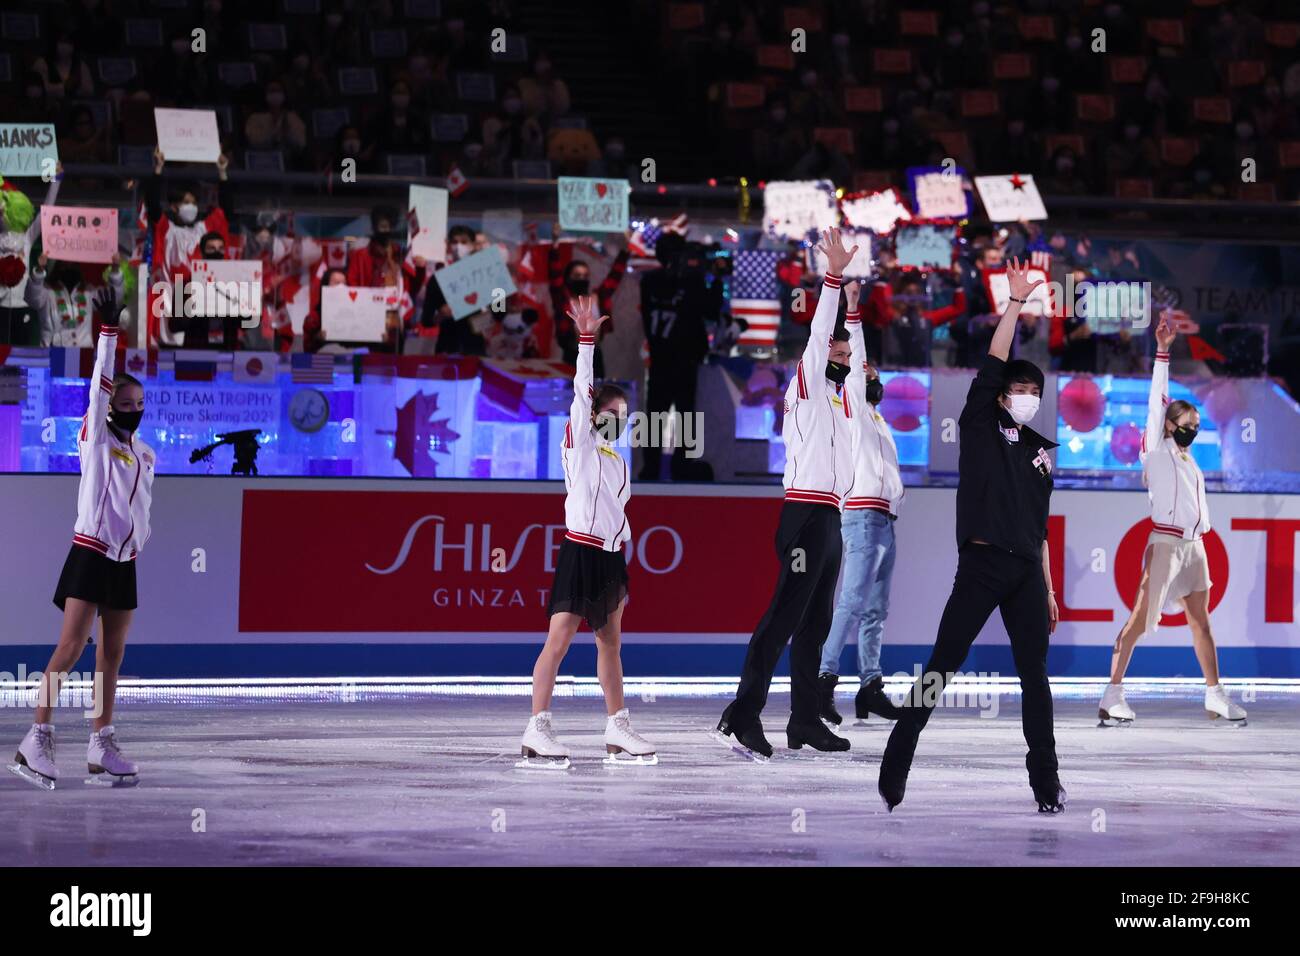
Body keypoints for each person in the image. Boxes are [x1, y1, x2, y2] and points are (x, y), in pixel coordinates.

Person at [878, 257, 1066, 813]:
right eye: (1020, 387)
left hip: (1027, 571)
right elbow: (994, 358)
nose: (1029, 393)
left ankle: (1046, 782)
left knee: (1036, 677)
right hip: (982, 566)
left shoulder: (1041, 453)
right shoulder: (982, 423)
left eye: (1036, 388)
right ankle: (899, 754)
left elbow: (1042, 528)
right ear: (1003, 393)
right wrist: (1014, 303)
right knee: (942, 663)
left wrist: (1050, 587)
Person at [715, 228, 860, 758]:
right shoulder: (806, 389)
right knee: (783, 616)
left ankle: (804, 720)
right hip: (803, 515)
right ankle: (743, 714)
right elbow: (822, 334)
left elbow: (854, 364)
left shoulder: (844, 405)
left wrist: (855, 315)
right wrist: (833, 281)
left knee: (815, 624)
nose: (841, 357)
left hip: (832, 519)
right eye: (834, 351)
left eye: (846, 352)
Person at [9, 290, 154, 790]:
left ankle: (100, 743)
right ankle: (37, 736)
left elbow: (140, 511)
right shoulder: (94, 440)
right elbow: (99, 385)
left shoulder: (143, 455)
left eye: (140, 405)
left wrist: (138, 544)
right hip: (90, 552)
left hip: (123, 559)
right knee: (71, 646)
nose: (133, 410)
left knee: (111, 656)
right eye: (125, 404)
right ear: (109, 406)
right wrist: (109, 336)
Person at [519, 296, 655, 769]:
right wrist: (586, 342)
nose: (620, 418)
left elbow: (621, 516)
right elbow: (581, 392)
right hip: (579, 552)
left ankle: (617, 727)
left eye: (625, 413)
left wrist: (622, 561)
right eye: (612, 411)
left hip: (610, 559)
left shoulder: (618, 462)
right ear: (596, 413)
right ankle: (537, 726)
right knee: (557, 641)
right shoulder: (578, 445)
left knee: (610, 644)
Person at [1099, 314, 1246, 725]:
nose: (1193, 432)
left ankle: (1215, 695)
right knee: (1139, 623)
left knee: (1202, 622)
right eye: (1187, 425)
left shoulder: (1186, 459)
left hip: (1194, 547)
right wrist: (1163, 352)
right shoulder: (1158, 450)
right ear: (1168, 426)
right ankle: (1112, 693)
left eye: (1197, 427)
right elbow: (1156, 402)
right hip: (1165, 545)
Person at [817, 278, 906, 726]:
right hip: (862, 517)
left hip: (885, 520)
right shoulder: (849, 407)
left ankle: (870, 686)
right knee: (851, 602)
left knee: (875, 608)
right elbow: (855, 367)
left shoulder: (876, 419)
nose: (868, 373)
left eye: (872, 371)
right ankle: (823, 680)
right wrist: (853, 308)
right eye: (861, 368)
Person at [637, 232, 712, 480]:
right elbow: (705, 310)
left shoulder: (652, 281)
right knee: (678, 415)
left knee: (673, 415)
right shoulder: (662, 281)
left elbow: (703, 311)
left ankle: (659, 466)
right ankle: (668, 466)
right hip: (675, 356)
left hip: (671, 357)